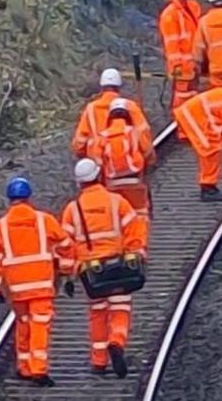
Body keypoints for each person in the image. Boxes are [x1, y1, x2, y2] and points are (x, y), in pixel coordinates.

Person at [0, 177, 76, 387]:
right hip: (42, 285)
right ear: (28, 197)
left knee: (23, 323)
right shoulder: (44, 220)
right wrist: (66, 269)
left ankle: (24, 367)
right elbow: (65, 244)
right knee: (40, 326)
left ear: (10, 199)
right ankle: (38, 370)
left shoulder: (1, 227)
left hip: (17, 288)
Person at [60, 159, 148, 378]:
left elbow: (65, 246)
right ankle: (116, 342)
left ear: (79, 183)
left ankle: (98, 361)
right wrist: (136, 255)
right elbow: (134, 228)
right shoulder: (116, 202)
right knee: (120, 309)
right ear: (99, 176)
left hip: (92, 274)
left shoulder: (73, 210)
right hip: (119, 267)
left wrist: (69, 275)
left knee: (97, 314)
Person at [94, 98, 155, 222]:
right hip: (135, 178)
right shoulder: (134, 132)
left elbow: (97, 161)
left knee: (117, 217)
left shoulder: (102, 137)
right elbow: (148, 152)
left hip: (112, 182)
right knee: (140, 214)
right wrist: (148, 165)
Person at [71, 68, 152, 160]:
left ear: (102, 88)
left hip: (100, 159)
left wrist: (81, 155)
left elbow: (80, 140)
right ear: (118, 87)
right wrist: (148, 157)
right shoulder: (130, 105)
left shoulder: (91, 108)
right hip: (127, 159)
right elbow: (143, 133)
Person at [157, 0, 203, 139]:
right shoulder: (169, 15)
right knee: (182, 98)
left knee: (194, 95)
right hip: (181, 67)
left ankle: (195, 126)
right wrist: (177, 69)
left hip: (195, 62)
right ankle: (184, 131)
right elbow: (172, 46)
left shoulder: (193, 6)